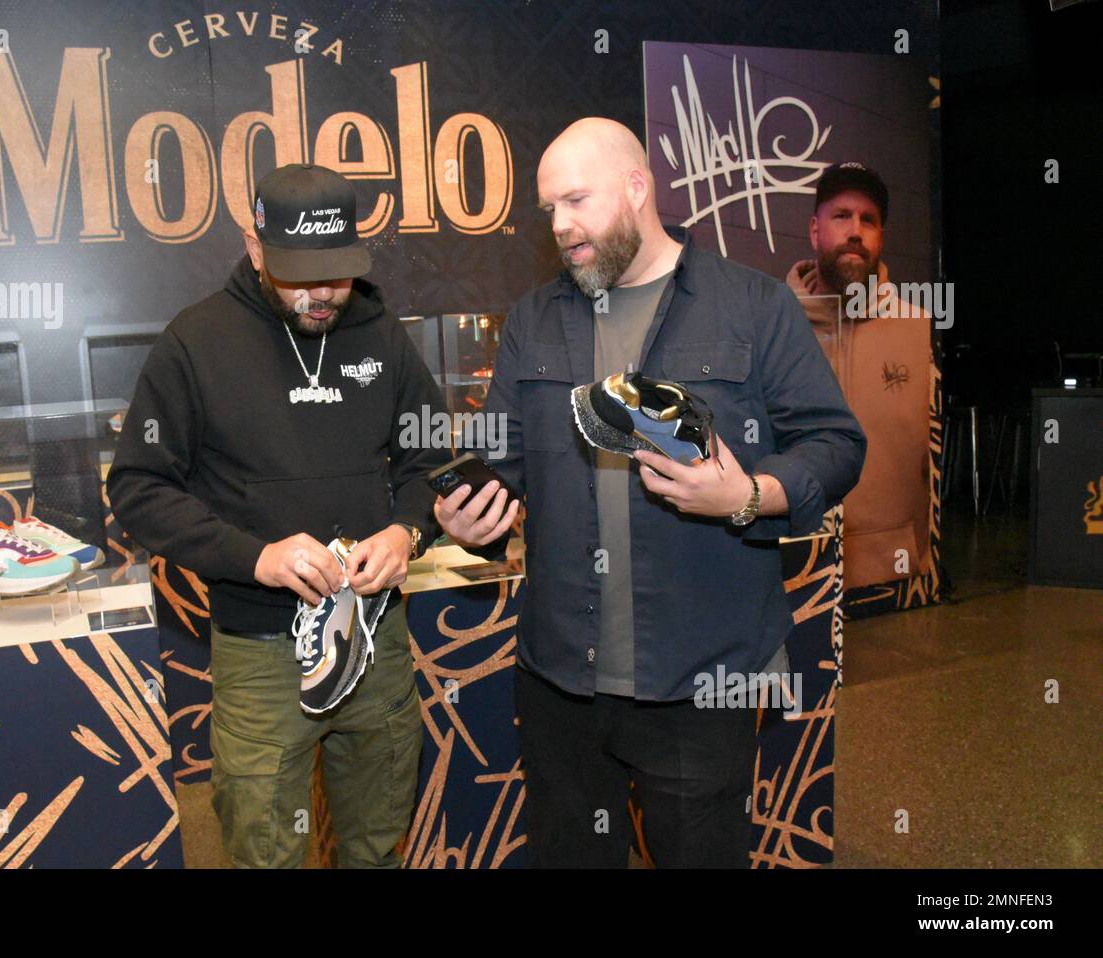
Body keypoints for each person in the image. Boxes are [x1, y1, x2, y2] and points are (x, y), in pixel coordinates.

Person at [436, 118, 866, 868]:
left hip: (702, 679)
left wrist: (749, 493)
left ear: (638, 188)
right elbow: (502, 462)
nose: (562, 227)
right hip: (561, 680)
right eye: (550, 211)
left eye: (577, 201)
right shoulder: (536, 319)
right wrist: (467, 516)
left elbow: (837, 444)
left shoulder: (753, 307)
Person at [107, 163, 447, 868]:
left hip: (374, 641)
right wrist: (253, 557)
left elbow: (431, 461)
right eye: (300, 274)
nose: (323, 294)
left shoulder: (382, 335)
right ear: (256, 247)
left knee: (377, 843)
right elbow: (138, 487)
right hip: (262, 656)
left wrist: (405, 530)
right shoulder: (195, 342)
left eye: (338, 272)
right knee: (266, 850)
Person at [786, 162, 933, 589]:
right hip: (798, 585)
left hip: (898, 582)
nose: (855, 230)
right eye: (841, 216)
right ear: (815, 231)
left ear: (881, 237)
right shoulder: (772, 327)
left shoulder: (918, 329)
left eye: (868, 220)